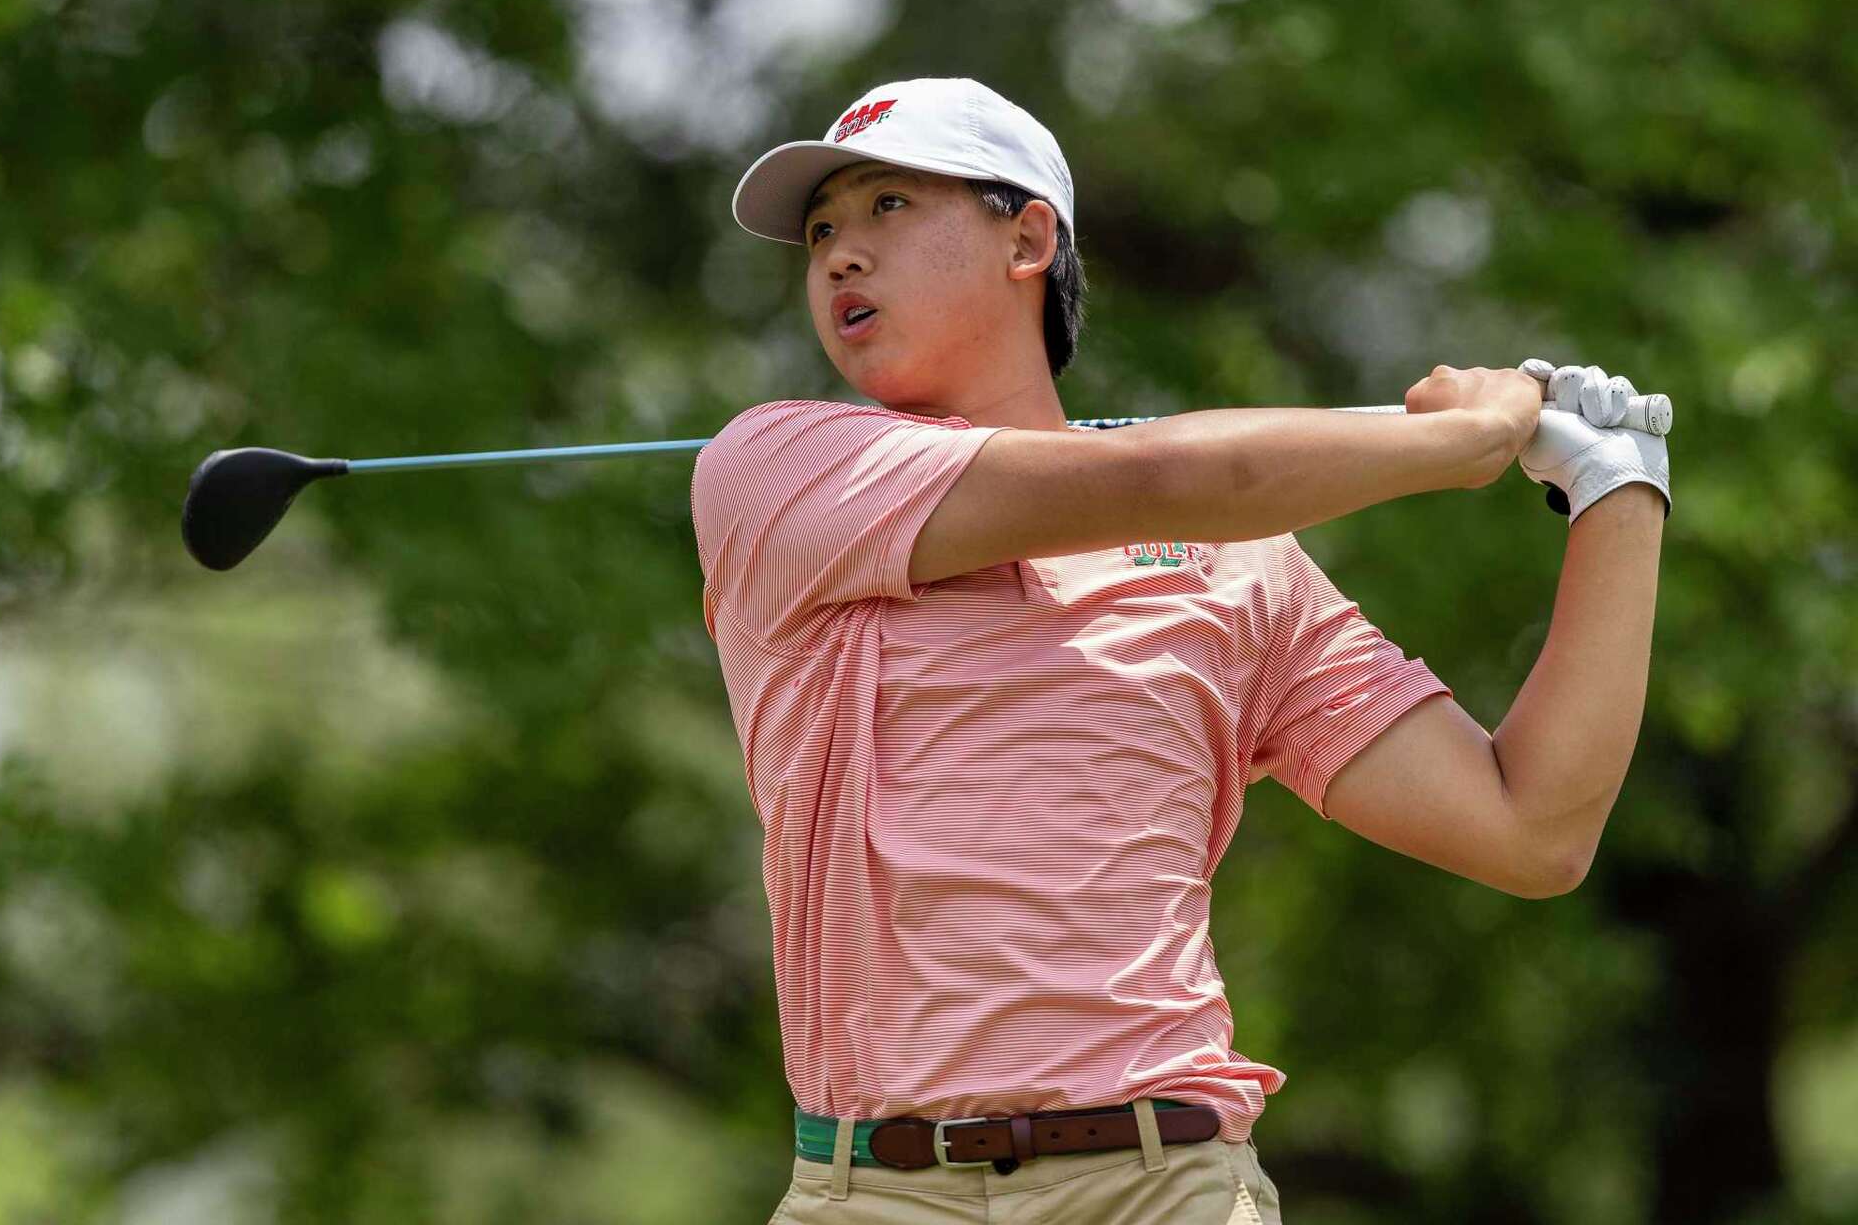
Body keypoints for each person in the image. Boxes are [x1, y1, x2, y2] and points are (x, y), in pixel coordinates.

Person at [691, 76, 1670, 1223]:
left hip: (1166, 1185)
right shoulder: (778, 469)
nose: (840, 257)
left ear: (1029, 236)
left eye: (888, 206)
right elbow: (1174, 475)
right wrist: (1468, 437)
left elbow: (1531, 826)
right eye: (820, 234)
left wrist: (1618, 490)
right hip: (872, 1191)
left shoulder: (1239, 566)